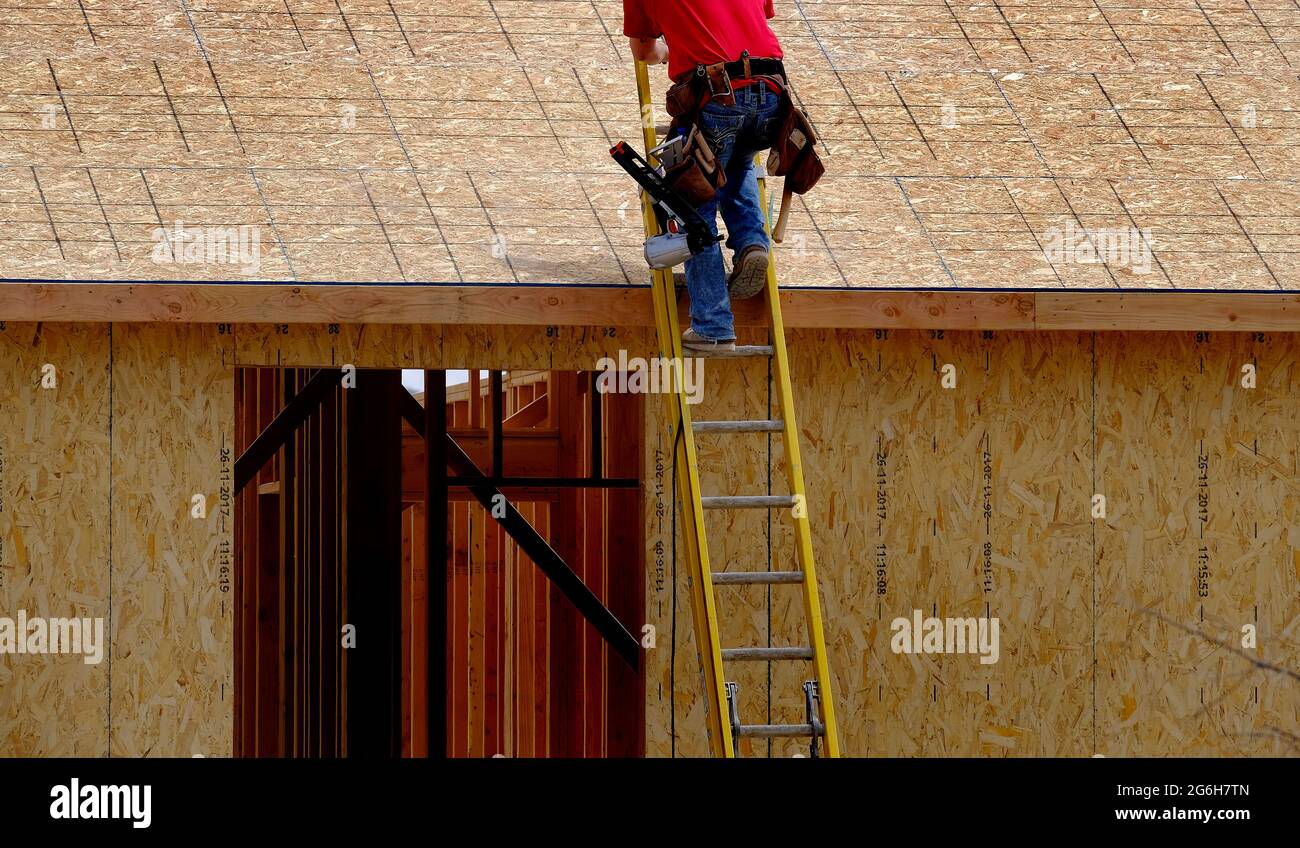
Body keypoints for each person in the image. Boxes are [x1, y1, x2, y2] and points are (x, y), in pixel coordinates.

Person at [624, 0, 787, 352]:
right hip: (772, 91)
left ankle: (713, 327)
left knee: (692, 200)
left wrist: (670, 50)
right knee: (736, 164)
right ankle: (751, 242)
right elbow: (756, 20)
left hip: (717, 92)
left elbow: (644, 50)